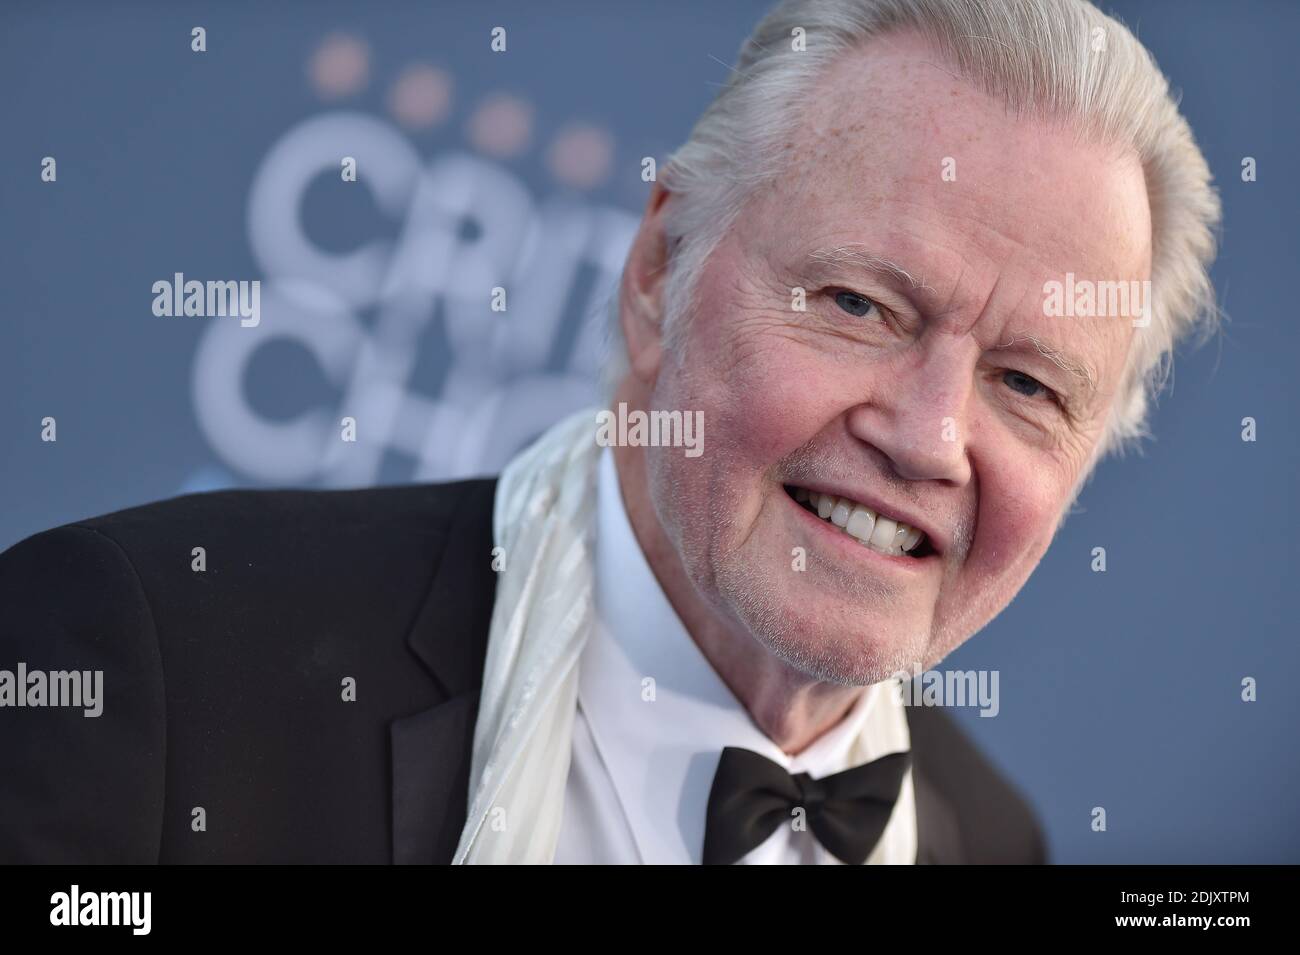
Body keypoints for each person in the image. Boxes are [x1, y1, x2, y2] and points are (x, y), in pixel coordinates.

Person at [0, 0, 1219, 864]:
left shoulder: (984, 833)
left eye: (1026, 385)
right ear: (659, 270)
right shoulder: (150, 667)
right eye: (859, 305)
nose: (928, 436)